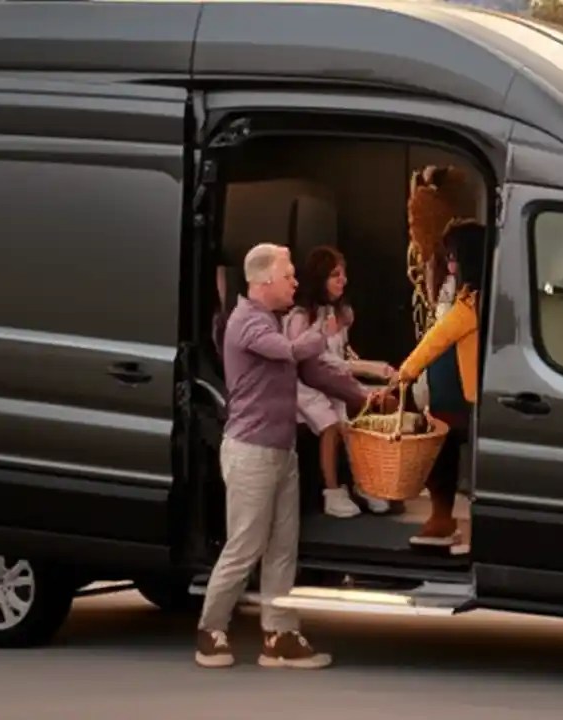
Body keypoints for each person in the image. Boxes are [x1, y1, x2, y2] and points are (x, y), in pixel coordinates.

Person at [195, 242, 387, 670]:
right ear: (264, 281)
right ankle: (211, 629)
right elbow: (293, 353)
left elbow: (312, 369)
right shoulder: (247, 323)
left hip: (281, 452)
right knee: (245, 546)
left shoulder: (275, 321)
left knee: (283, 549)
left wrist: (363, 398)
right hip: (251, 452)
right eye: (289, 275)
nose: (296, 282)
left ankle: (278, 635)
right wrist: (327, 328)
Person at [285, 246, 401, 518]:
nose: (343, 280)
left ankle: (365, 482)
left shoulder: (337, 314)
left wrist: (370, 369)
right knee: (331, 424)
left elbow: (341, 357)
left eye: (343, 274)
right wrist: (374, 370)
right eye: (335, 275)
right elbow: (313, 363)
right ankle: (333, 491)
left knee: (352, 417)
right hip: (303, 386)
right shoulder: (301, 318)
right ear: (319, 279)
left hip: (329, 383)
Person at [396, 220, 484, 551]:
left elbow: (438, 338)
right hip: (452, 391)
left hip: (461, 392)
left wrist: (404, 372)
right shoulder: (463, 293)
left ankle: (447, 521)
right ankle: (443, 520)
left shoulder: (470, 301)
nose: (449, 264)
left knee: (450, 458)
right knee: (446, 454)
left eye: (454, 257)